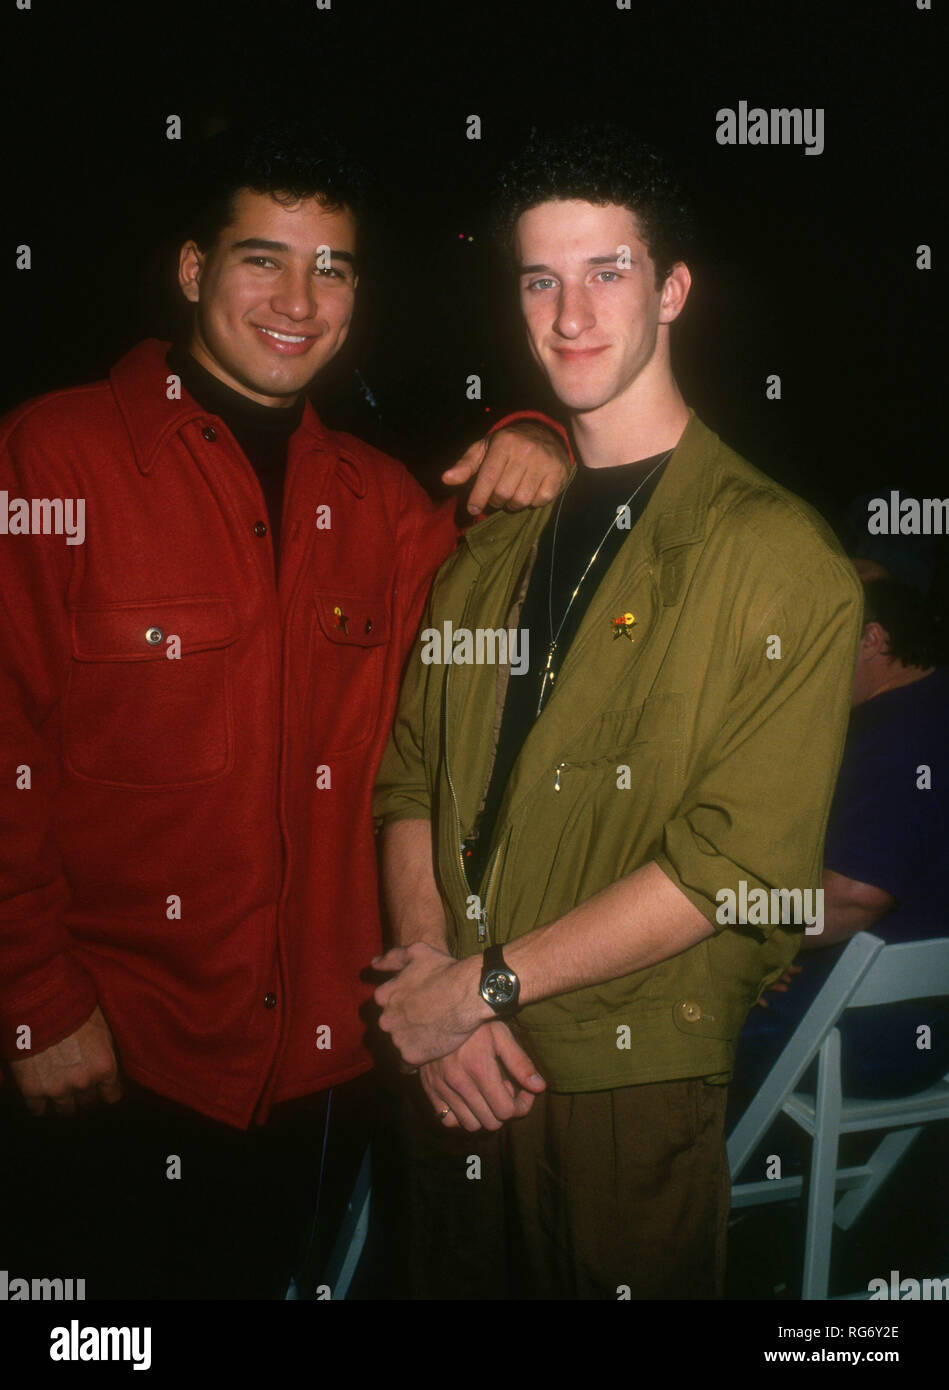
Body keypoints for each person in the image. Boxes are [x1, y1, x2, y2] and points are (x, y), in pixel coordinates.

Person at [0, 119, 570, 1300]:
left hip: (314, 1069)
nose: (299, 299)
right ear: (195, 270)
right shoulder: (50, 460)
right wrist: (32, 999)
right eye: (263, 258)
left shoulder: (378, 499)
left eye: (333, 267)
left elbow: (497, 631)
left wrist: (539, 439)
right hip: (113, 1046)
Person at [371, 125, 864, 1300]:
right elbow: (407, 777)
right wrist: (435, 978)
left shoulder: (777, 554)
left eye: (608, 271)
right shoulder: (489, 551)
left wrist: (478, 988)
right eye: (541, 278)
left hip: (617, 1078)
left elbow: (729, 864)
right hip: (449, 1063)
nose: (571, 313)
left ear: (673, 288)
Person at [731, 567, 949, 1114]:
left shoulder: (898, 736)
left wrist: (738, 945)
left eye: (824, 638)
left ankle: (678, 1190)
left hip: (871, 1030)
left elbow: (852, 899)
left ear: (873, 639)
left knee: (660, 1017)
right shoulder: (931, 699)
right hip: (923, 1012)